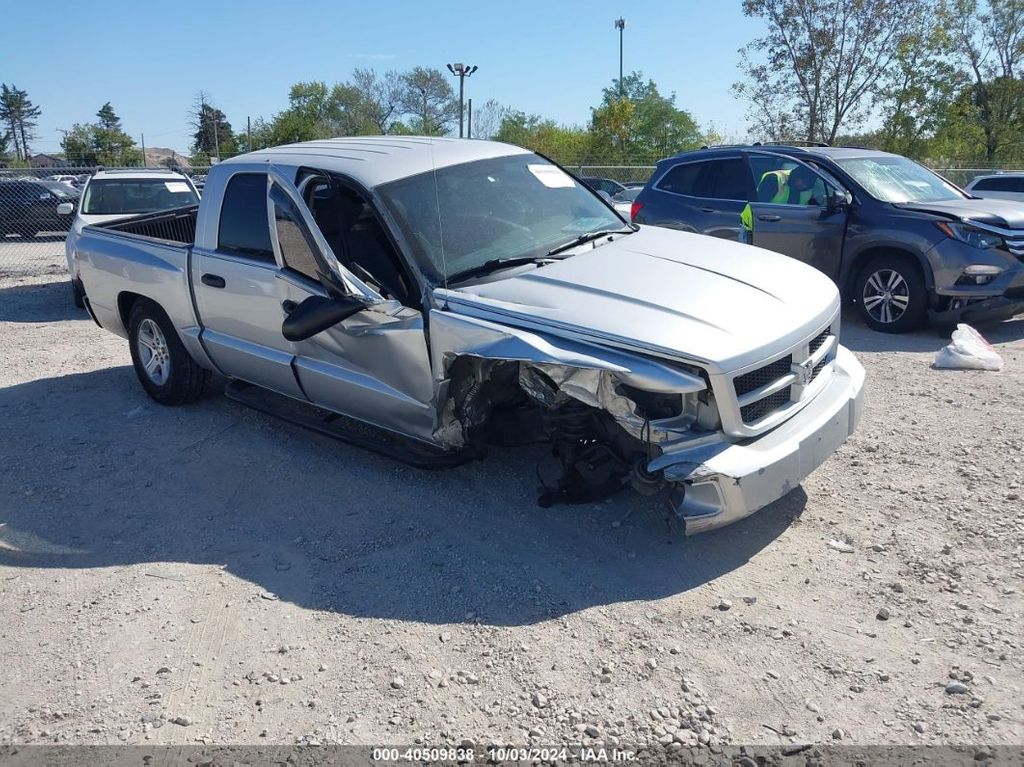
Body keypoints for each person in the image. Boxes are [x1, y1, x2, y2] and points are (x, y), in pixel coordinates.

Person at [740, 166, 823, 243]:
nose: (804, 186)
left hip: (789, 226)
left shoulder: (808, 188)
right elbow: (757, 208)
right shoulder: (774, 179)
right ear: (796, 176)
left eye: (809, 184)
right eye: (803, 181)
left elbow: (815, 206)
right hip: (760, 225)